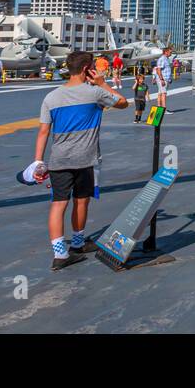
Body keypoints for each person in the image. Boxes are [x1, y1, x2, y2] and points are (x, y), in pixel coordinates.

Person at [32, 50, 128, 270]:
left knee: (58, 204)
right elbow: (123, 103)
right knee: (81, 200)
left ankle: (60, 254)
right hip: (85, 159)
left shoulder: (51, 97)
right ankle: (77, 243)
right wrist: (102, 83)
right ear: (87, 69)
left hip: (58, 160)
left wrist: (38, 161)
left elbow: (43, 132)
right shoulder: (94, 93)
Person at [153, 45, 176, 114]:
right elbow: (158, 69)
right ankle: (164, 109)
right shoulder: (162, 59)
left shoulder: (166, 58)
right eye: (170, 52)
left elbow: (166, 69)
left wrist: (169, 79)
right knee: (164, 93)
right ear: (165, 52)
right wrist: (161, 79)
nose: (171, 53)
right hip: (163, 79)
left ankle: (159, 108)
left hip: (165, 79)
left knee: (160, 93)